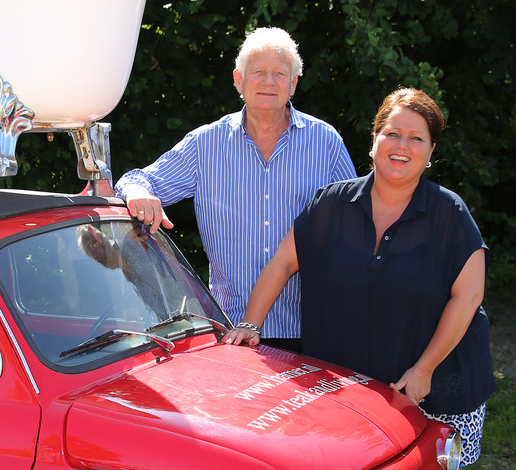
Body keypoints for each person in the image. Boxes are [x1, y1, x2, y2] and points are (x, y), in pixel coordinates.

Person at [226, 88, 495, 464]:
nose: (402, 145)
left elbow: (468, 296)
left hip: (430, 383)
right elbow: (283, 263)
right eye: (392, 133)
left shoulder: (449, 213)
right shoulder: (331, 204)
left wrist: (424, 369)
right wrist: (250, 324)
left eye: (416, 138)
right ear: (374, 140)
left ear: (431, 152)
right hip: (346, 386)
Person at [116, 26, 356, 351]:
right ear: (238, 80)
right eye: (258, 72)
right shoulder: (206, 145)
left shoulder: (326, 142)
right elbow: (137, 180)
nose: (269, 82)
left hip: (312, 326)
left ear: (294, 83)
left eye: (279, 73)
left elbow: (356, 224)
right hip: (230, 329)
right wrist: (138, 193)